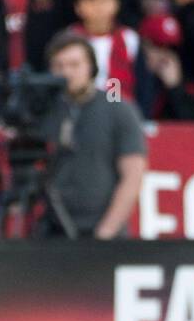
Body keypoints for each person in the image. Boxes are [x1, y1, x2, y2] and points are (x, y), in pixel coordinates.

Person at [42, 30, 148, 237]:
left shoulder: (118, 108)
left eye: (74, 65)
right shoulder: (44, 111)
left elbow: (133, 174)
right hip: (49, 230)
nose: (66, 73)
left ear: (91, 67)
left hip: (102, 232)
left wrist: (106, 231)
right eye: (59, 66)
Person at [69, 0, 139, 100]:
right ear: (77, 7)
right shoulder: (70, 39)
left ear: (116, 3)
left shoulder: (130, 38)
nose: (98, 5)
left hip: (120, 110)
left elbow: (142, 82)